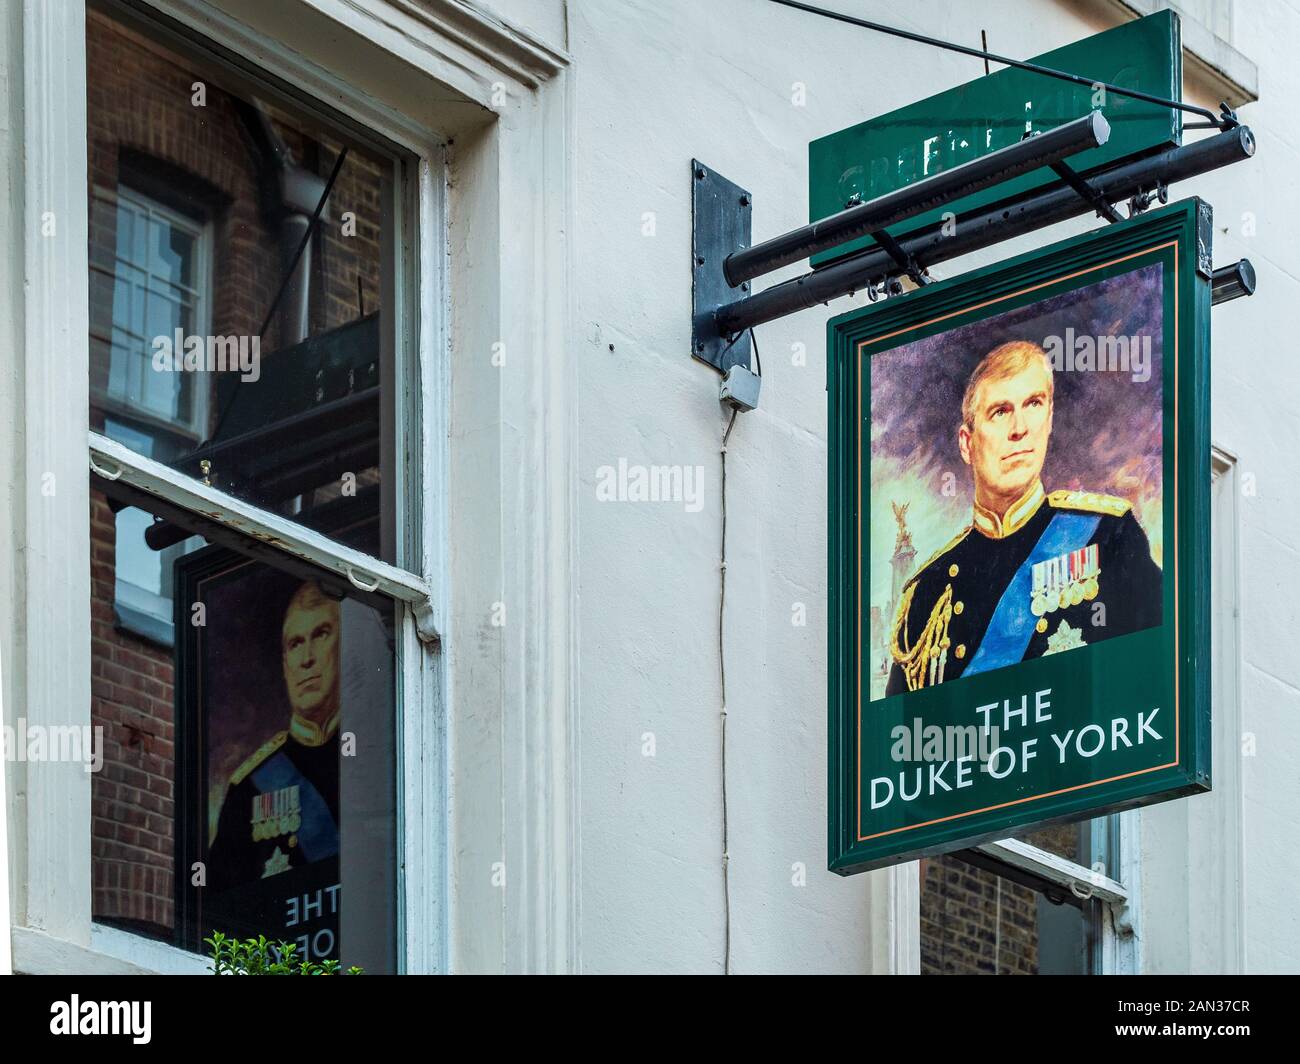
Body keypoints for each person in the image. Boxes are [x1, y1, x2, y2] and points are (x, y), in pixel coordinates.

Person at [886, 340, 1162, 696]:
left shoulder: (1106, 535)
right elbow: (900, 736)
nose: (1019, 428)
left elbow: (1156, 678)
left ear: (1048, 421)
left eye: (1033, 404)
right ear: (967, 444)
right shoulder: (928, 590)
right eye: (1000, 411)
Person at [207, 580, 341, 890]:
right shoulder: (249, 786)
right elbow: (222, 906)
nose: (306, 657)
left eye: (320, 634)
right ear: (284, 665)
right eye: (295, 643)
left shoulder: (377, 752)